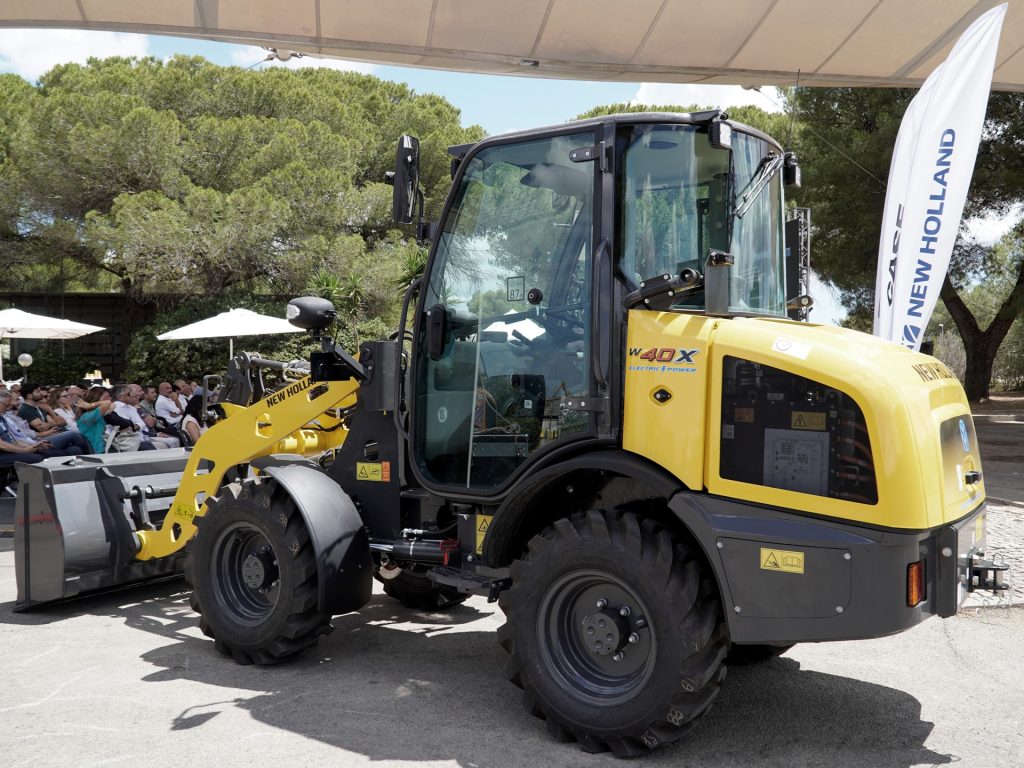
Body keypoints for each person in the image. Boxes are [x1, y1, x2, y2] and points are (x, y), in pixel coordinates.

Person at [0, 390, 87, 457]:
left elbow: (62, 422)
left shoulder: (40, 409)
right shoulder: (24, 410)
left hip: (33, 441)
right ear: (29, 396)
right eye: (38, 392)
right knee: (73, 435)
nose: (44, 397)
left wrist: (50, 412)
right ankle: (90, 458)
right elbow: (42, 428)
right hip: (34, 440)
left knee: (75, 448)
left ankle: (86, 466)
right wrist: (45, 433)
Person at [75, 386, 118, 454]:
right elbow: (108, 403)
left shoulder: (100, 413)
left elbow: (113, 405)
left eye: (109, 396)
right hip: (98, 451)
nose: (109, 399)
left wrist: (91, 405)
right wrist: (90, 405)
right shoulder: (87, 416)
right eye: (106, 397)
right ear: (95, 399)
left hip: (106, 448)